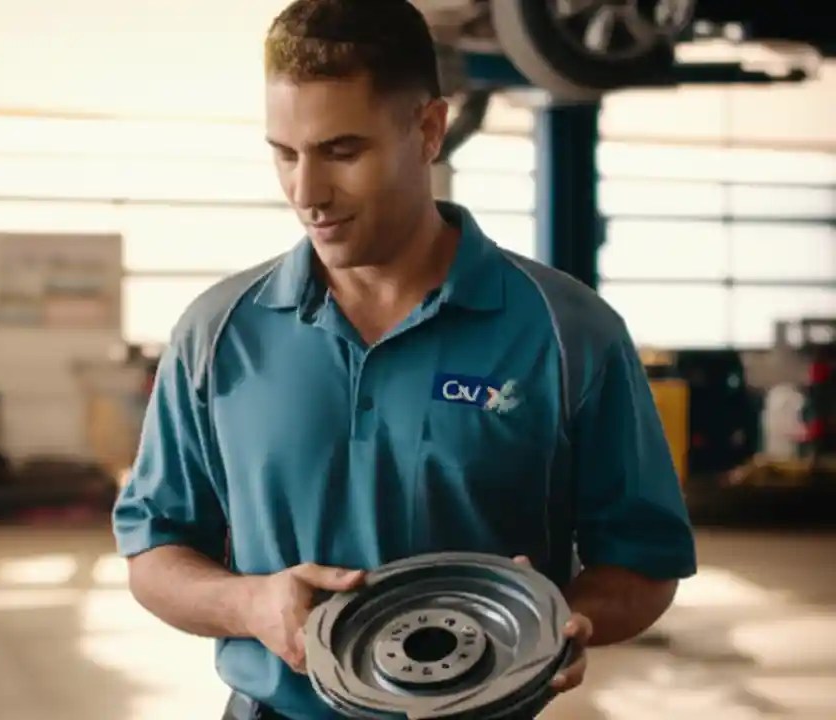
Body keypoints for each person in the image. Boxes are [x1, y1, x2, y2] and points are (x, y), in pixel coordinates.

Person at [111, 0, 698, 718]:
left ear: (428, 131)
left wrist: (563, 618)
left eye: (342, 151)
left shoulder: (569, 332)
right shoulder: (217, 335)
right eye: (285, 153)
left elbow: (643, 559)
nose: (307, 194)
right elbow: (154, 551)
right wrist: (249, 602)